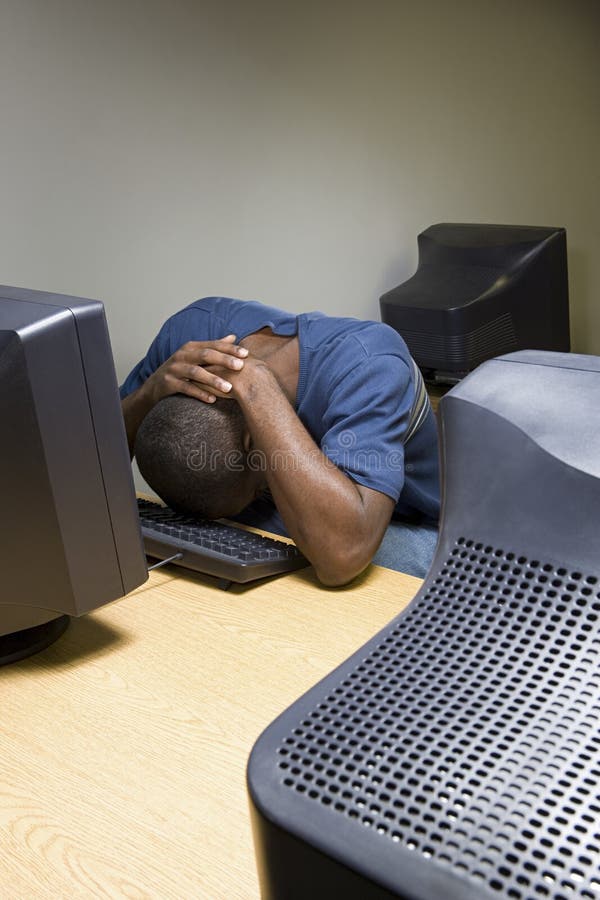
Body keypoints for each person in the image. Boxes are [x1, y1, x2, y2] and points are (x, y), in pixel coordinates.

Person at [120, 296, 440, 585]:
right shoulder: (185, 344)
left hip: (402, 523)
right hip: (297, 518)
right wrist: (148, 393)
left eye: (255, 491)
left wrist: (257, 387)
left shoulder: (369, 365)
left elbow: (344, 556)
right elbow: (94, 476)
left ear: (253, 442)